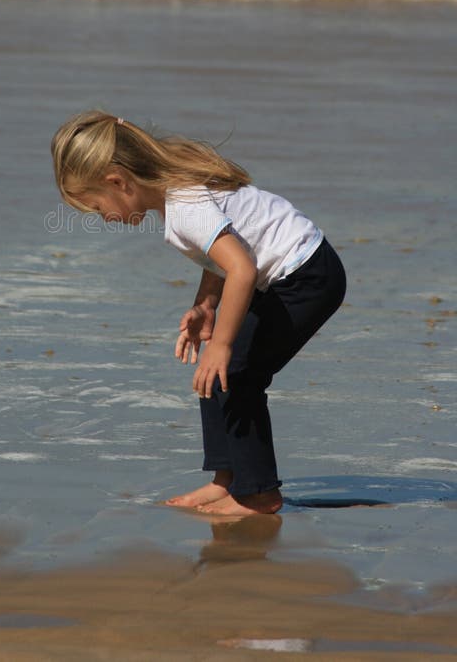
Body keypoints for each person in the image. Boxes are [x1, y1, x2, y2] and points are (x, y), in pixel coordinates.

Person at [50, 110, 346, 517]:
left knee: (235, 371)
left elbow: (240, 266)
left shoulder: (186, 209)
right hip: (288, 273)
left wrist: (223, 344)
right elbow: (222, 258)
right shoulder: (175, 196)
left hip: (306, 276)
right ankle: (227, 480)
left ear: (117, 182)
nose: (106, 219)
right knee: (215, 374)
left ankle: (259, 495)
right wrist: (207, 306)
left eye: (99, 208)